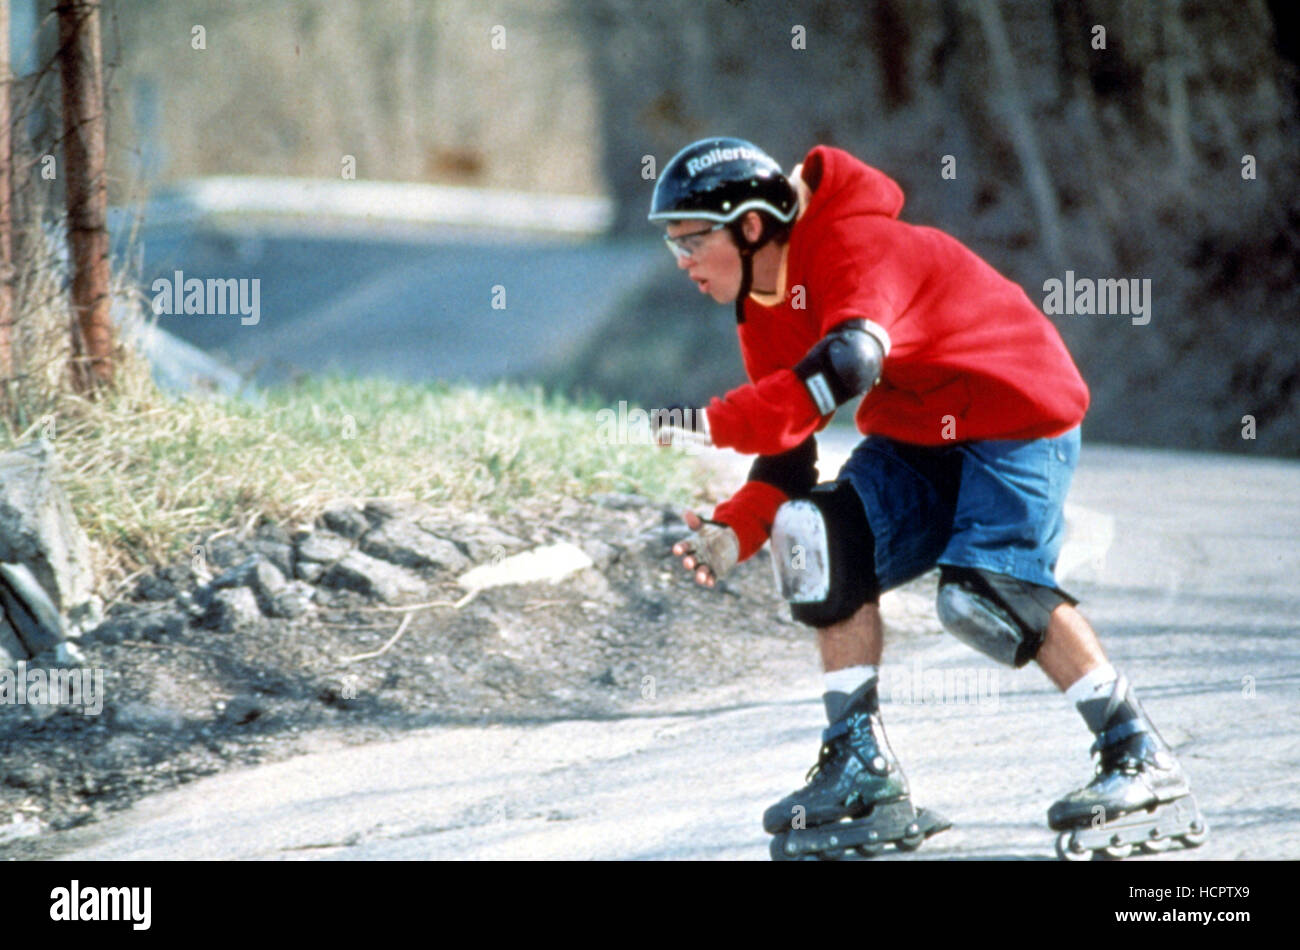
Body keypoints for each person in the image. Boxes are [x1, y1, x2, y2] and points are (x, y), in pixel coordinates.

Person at [646, 137, 1206, 860]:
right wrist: (737, 529)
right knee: (818, 537)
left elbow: (848, 362)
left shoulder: (852, 244)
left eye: (693, 240)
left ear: (752, 226)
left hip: (1016, 408)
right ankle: (861, 771)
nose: (684, 260)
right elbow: (787, 454)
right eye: (673, 245)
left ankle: (1139, 754)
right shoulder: (761, 308)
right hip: (921, 434)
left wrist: (704, 424)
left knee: (988, 591)